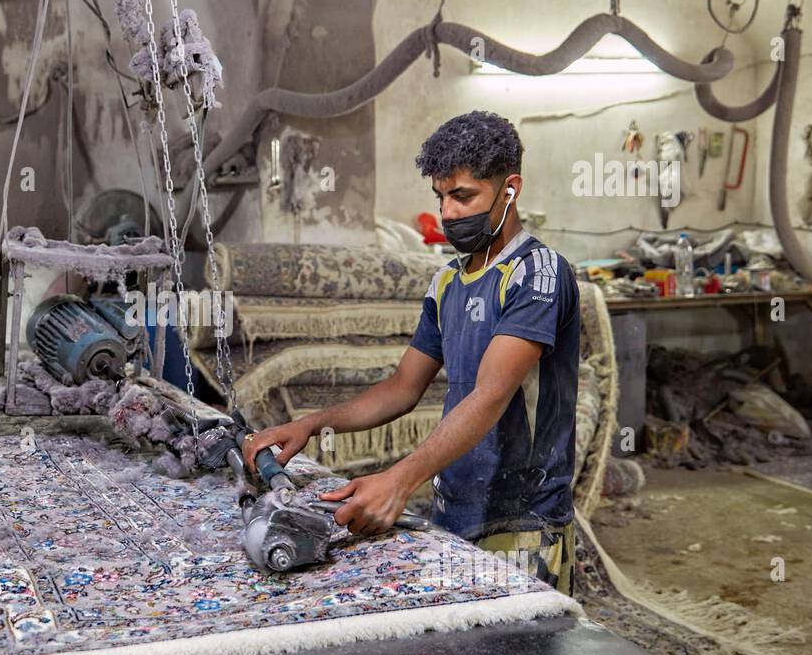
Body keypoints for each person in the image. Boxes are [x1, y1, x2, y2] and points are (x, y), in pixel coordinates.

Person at [242, 111, 580, 594]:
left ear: (510, 190)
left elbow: (490, 394)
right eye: (441, 197)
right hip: (456, 505)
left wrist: (400, 480)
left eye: (464, 196)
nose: (448, 213)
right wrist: (312, 424)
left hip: (523, 520)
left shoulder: (538, 274)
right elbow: (402, 389)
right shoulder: (447, 281)